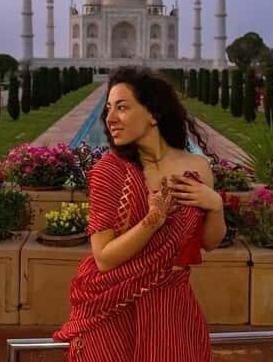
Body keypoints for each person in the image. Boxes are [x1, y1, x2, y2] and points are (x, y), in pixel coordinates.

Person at [54, 67, 223, 361]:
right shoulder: (110, 171)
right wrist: (152, 221)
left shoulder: (197, 167)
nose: (110, 118)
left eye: (122, 107)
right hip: (114, 307)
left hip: (172, 305)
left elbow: (208, 242)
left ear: (153, 113)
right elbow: (104, 258)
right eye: (108, 109)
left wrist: (215, 205)